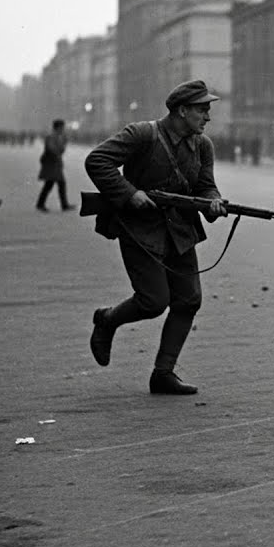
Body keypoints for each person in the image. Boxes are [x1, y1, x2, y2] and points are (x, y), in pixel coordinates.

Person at [84, 79, 227, 395]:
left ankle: (163, 373)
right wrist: (129, 193)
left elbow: (205, 186)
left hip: (179, 231)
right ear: (182, 110)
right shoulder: (142, 135)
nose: (208, 117)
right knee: (153, 301)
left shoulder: (202, 146)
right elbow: (97, 160)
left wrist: (212, 203)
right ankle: (107, 320)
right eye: (202, 110)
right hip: (140, 230)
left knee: (189, 299)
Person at [36, 119, 74, 212]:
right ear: (58, 127)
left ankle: (41, 203)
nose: (63, 129)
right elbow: (54, 150)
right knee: (55, 184)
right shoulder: (52, 136)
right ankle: (62, 205)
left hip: (54, 164)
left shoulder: (57, 136)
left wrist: (63, 143)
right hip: (52, 164)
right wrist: (62, 145)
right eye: (62, 127)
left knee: (51, 184)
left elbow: (58, 150)